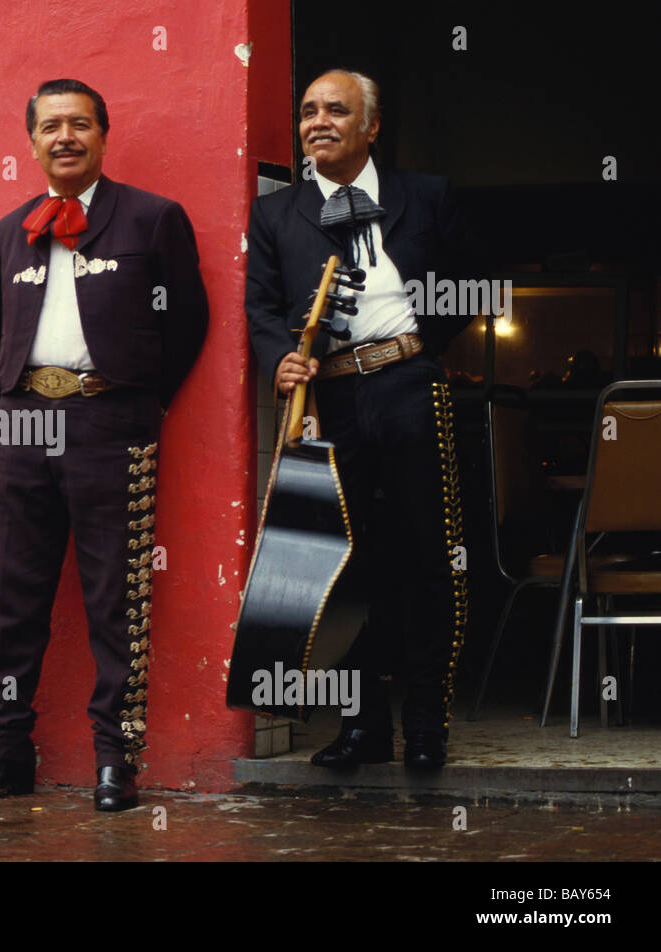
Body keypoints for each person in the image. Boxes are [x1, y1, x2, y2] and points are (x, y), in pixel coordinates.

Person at [0, 79, 209, 810]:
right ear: (31, 143)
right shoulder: (9, 229)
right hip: (22, 426)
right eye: (50, 126)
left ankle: (116, 762)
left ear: (103, 136)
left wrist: (138, 401)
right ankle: (5, 756)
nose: (65, 137)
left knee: (116, 600)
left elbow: (187, 325)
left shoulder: (152, 219)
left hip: (107, 425)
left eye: (80, 124)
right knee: (11, 601)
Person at [245, 69, 474, 769]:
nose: (318, 121)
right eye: (309, 111)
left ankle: (427, 722)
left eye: (336, 110)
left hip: (408, 387)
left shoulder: (425, 196)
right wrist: (282, 358)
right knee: (345, 566)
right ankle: (363, 726)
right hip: (331, 401)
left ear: (371, 126)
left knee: (429, 560)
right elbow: (260, 308)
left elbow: (465, 286)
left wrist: (421, 346)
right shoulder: (278, 215)